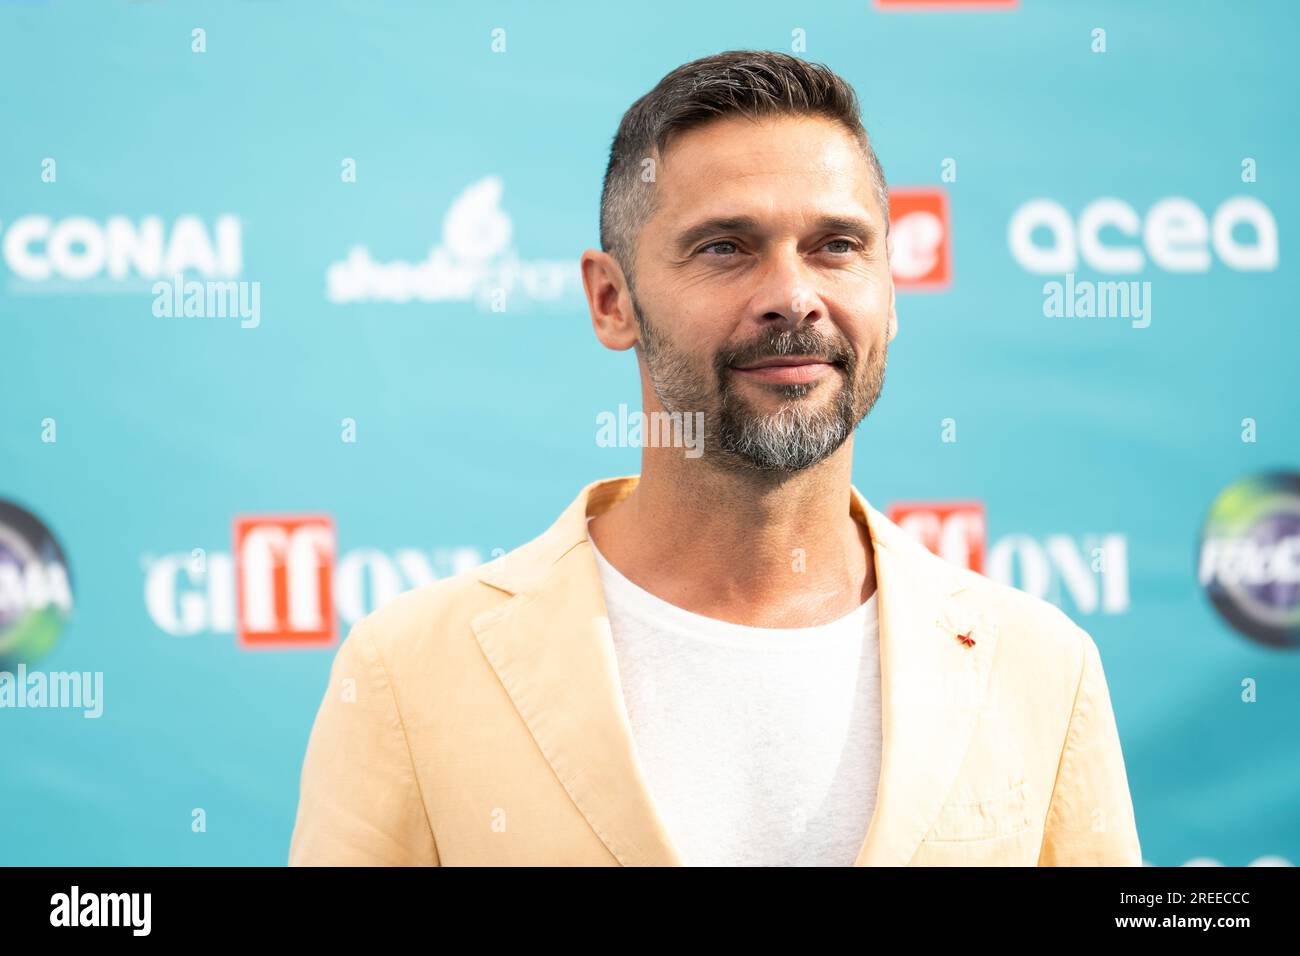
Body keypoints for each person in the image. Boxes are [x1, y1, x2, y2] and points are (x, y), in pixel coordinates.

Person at [289, 49, 1141, 866]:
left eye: (836, 246)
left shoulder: (1040, 668)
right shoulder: (410, 673)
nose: (792, 297)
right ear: (612, 300)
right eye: (725, 247)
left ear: (890, 288)